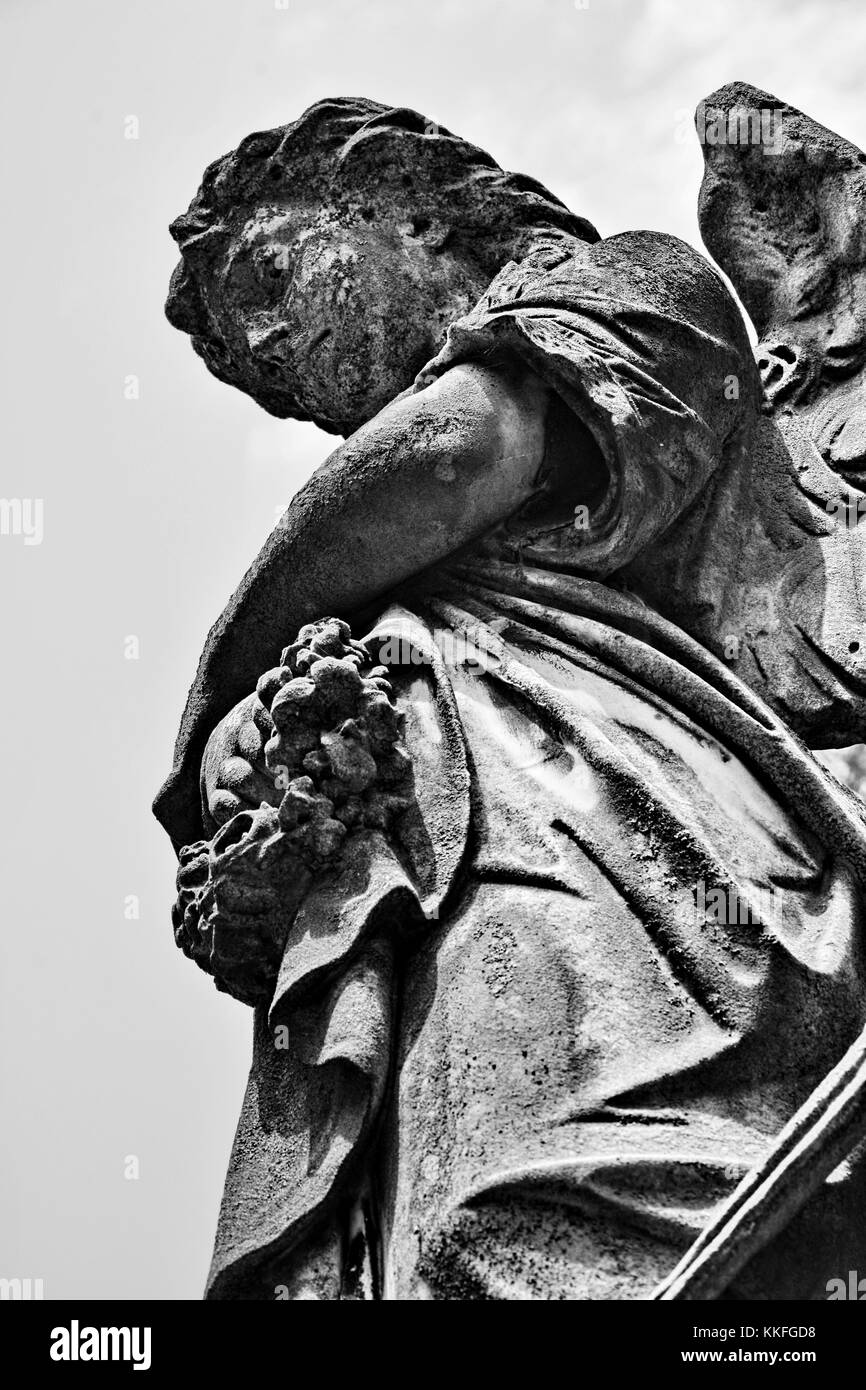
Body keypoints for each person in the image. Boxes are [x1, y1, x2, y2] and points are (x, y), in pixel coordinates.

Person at [157, 87, 866, 1300]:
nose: (272, 358)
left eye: (269, 284)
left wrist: (226, 688)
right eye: (247, 370)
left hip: (667, 879)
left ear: (413, 218)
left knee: (551, 1209)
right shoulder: (386, 592)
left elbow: (454, 453)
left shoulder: (636, 290)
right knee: (457, 1247)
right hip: (465, 905)